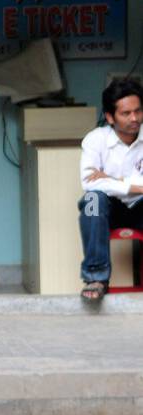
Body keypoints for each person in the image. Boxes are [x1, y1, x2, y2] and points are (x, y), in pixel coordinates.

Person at [79, 78, 143, 301]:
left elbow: (102, 182)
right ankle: (96, 277)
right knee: (92, 200)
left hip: (140, 208)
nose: (134, 118)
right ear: (109, 117)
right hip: (108, 211)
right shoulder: (95, 140)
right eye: (126, 113)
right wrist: (131, 184)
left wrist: (111, 179)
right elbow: (90, 183)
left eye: (138, 111)